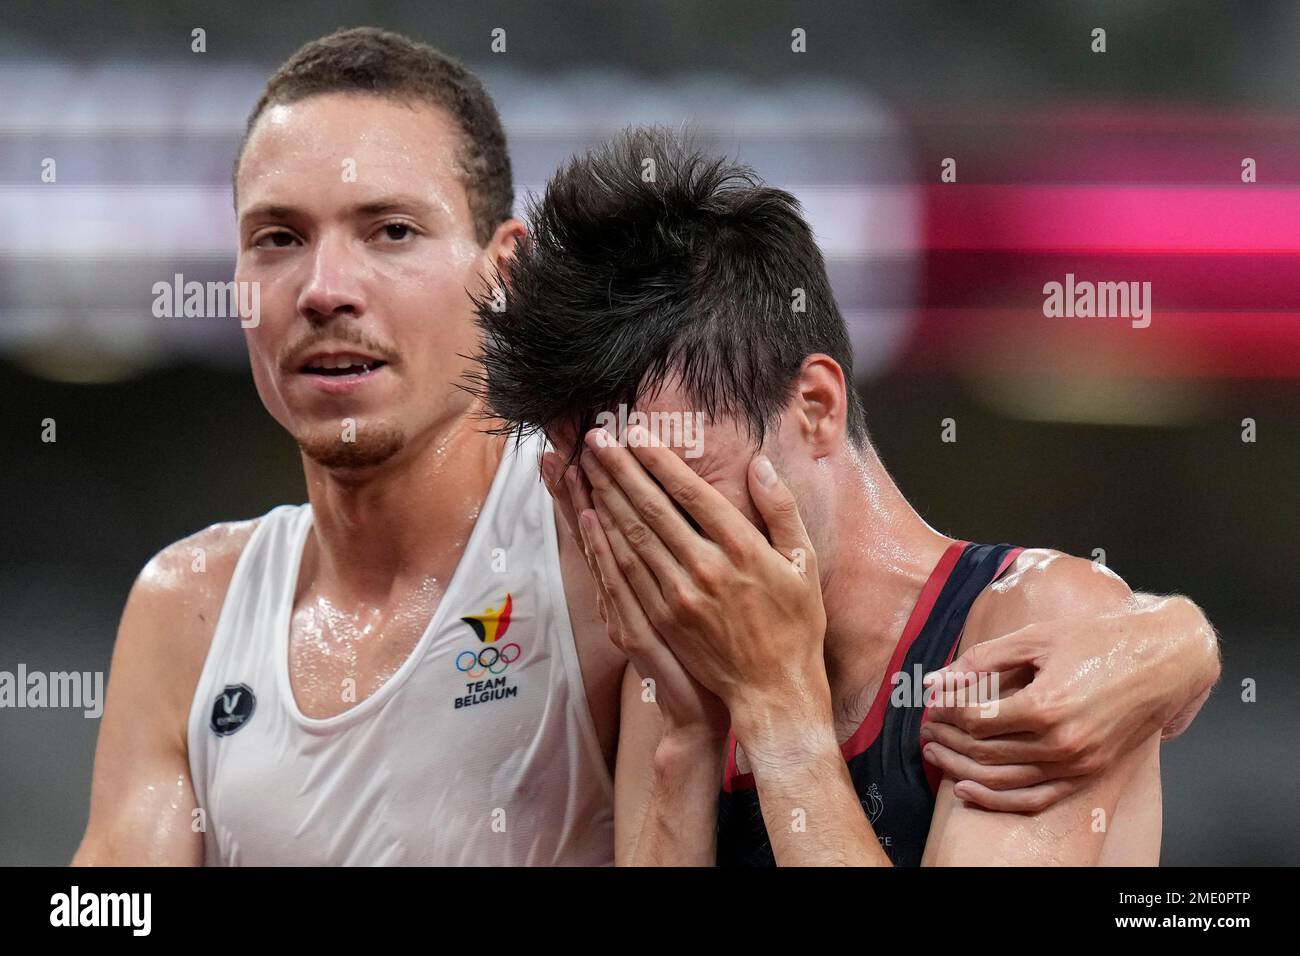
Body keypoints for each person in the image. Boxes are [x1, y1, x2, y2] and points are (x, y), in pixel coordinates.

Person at [473, 126, 1221, 865]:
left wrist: (776, 705)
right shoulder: (672, 676)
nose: (650, 538)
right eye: (606, 494)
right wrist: (687, 741)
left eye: (671, 480)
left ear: (816, 406)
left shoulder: (1037, 627)